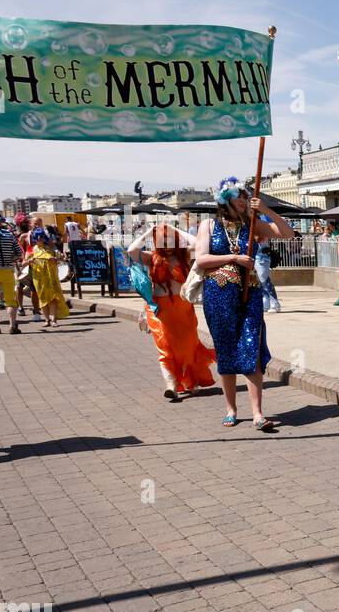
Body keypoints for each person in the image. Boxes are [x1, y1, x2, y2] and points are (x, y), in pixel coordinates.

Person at [194, 176, 294, 430]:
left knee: (251, 346)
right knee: (226, 350)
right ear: (224, 199)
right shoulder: (208, 225)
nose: (242, 200)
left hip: (249, 295)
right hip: (218, 294)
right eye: (238, 196)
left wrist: (266, 210)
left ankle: (258, 413)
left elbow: (287, 233)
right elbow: (202, 259)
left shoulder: (252, 225)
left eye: (245, 197)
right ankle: (230, 408)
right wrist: (234, 258)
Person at [125, 223, 215, 400]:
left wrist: (177, 231)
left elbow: (198, 244)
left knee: (188, 347)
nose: (166, 247)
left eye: (170, 242)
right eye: (162, 243)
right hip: (159, 311)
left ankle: (190, 380)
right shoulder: (151, 257)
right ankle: (171, 385)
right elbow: (131, 250)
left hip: (183, 309)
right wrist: (149, 232)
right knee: (165, 348)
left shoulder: (185, 255)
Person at [21, 222, 69, 328]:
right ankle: (46, 320)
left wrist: (55, 259)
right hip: (38, 277)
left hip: (51, 277)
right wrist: (30, 261)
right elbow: (23, 263)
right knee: (42, 298)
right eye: (37, 238)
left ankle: (53, 320)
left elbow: (62, 259)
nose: (40, 240)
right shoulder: (31, 249)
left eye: (41, 237)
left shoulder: (51, 248)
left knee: (53, 298)